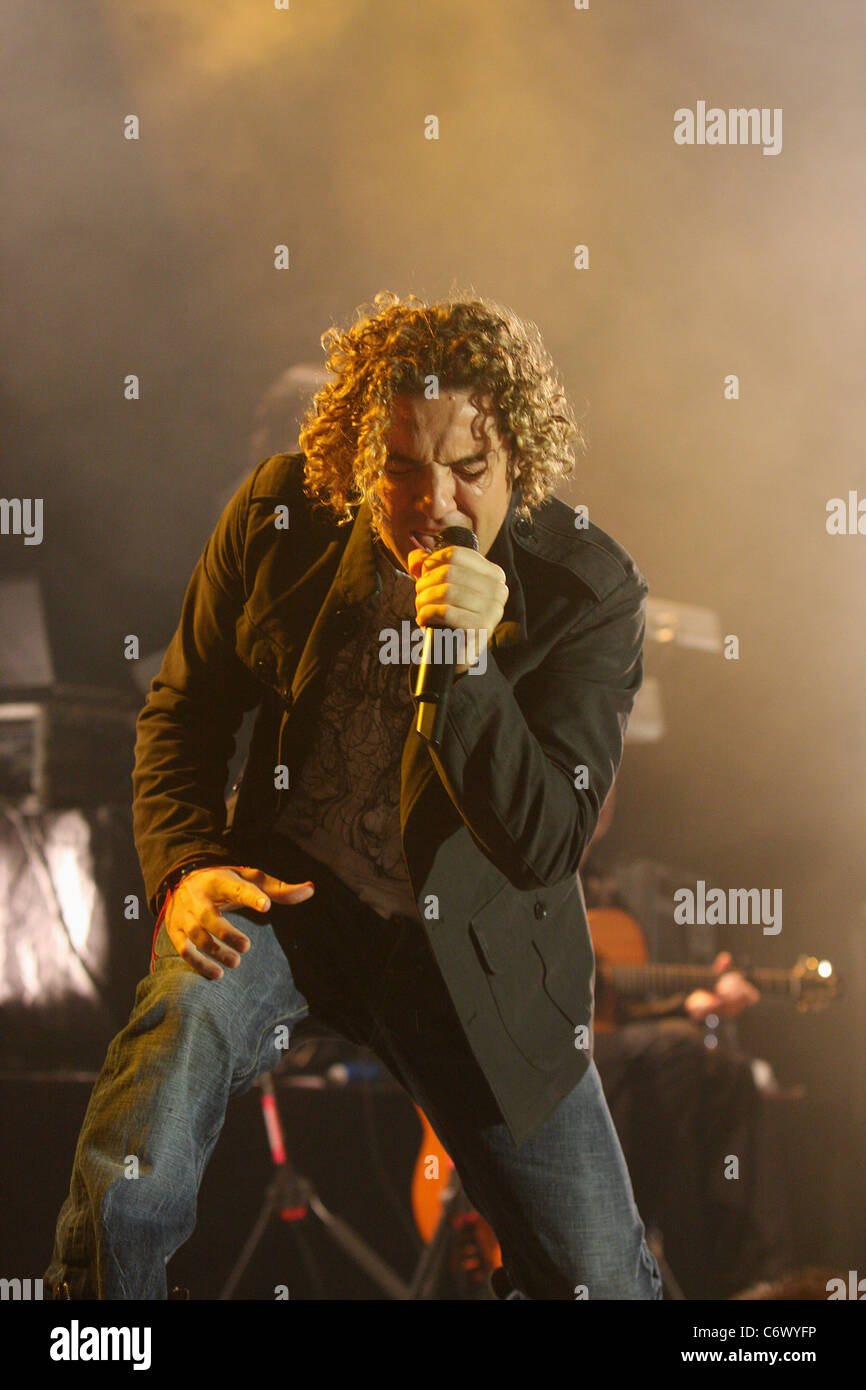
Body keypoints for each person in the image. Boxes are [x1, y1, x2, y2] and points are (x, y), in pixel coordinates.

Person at [45, 289, 662, 1301]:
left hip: (471, 956)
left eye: (469, 470)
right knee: (146, 1119)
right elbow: (183, 713)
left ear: (520, 460)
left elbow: (544, 839)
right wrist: (187, 869)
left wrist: (467, 670)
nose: (436, 502)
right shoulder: (279, 511)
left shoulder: (585, 589)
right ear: (355, 458)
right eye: (403, 469)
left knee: (595, 1275)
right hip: (290, 899)